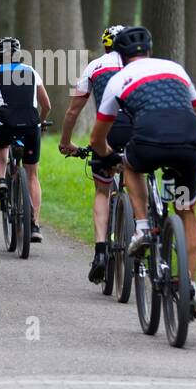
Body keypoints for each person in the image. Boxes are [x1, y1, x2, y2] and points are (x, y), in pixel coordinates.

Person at [90, 26, 196, 315]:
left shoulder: (119, 79)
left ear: (120, 55)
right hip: (186, 145)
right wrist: (187, 151)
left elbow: (97, 138)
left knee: (129, 163)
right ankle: (190, 286)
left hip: (147, 144)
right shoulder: (176, 69)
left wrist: (109, 156)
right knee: (187, 211)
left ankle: (142, 226)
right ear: (150, 50)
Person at [60, 24, 130, 283]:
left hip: (108, 132)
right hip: (137, 130)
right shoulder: (141, 65)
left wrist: (66, 141)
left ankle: (101, 251)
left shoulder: (95, 66)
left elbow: (72, 112)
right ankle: (143, 230)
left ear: (106, 45)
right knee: (138, 178)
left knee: (102, 190)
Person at [0, 37, 51, 243]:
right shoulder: (32, 72)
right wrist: (40, 123)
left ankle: (1, 180)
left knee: (1, 146)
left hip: (6, 124)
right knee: (32, 175)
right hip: (31, 126)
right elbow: (47, 105)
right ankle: (34, 225)